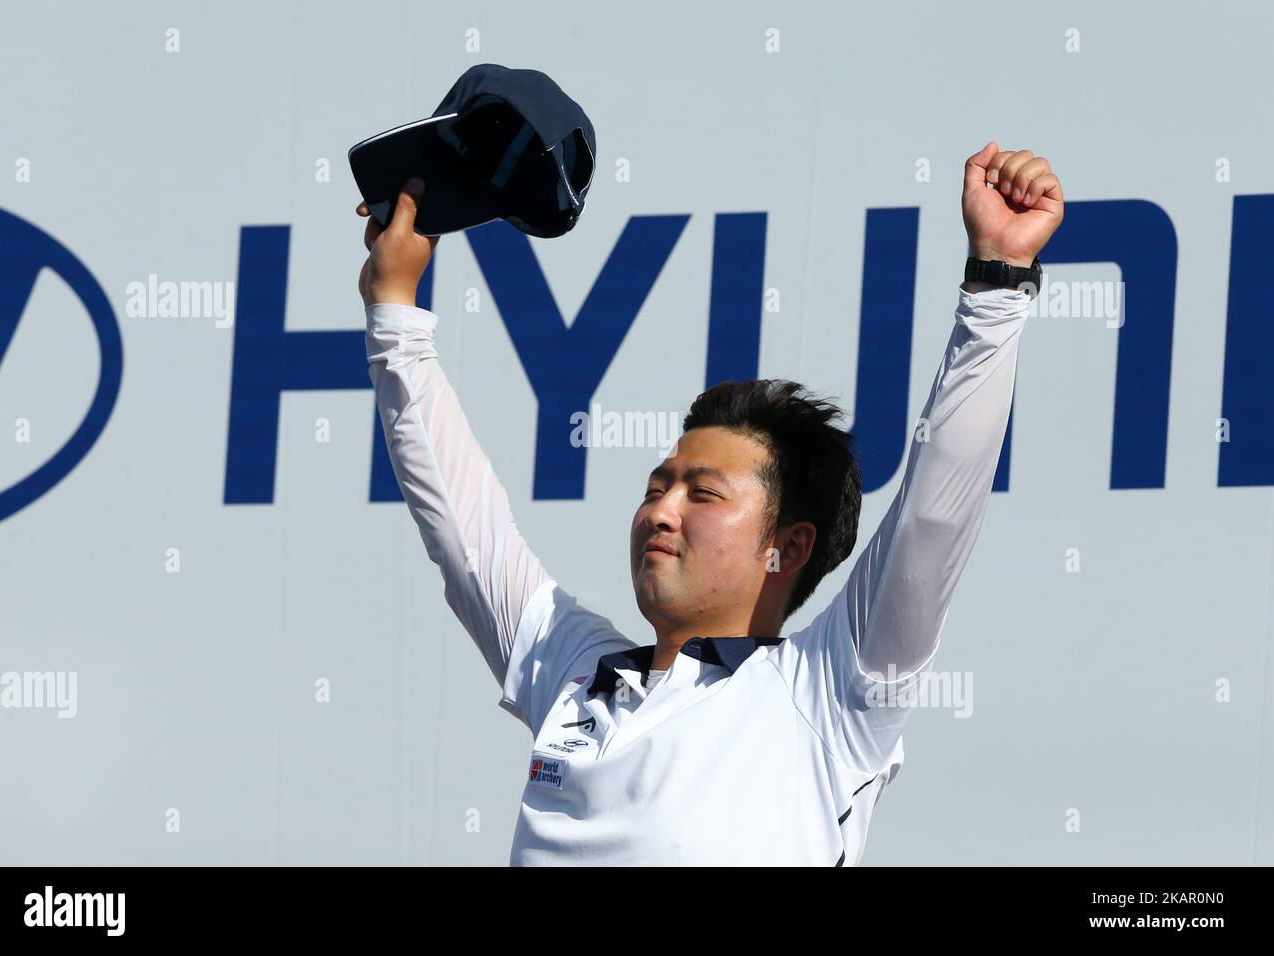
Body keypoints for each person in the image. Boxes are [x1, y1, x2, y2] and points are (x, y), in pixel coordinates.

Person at [356, 143, 1064, 865]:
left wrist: (998, 286)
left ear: (786, 547)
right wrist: (394, 310)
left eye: (703, 494)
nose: (660, 511)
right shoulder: (571, 668)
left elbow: (933, 518)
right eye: (658, 486)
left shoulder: (828, 693)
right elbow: (461, 523)